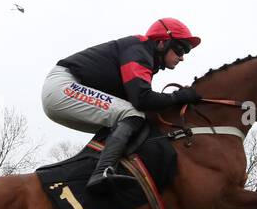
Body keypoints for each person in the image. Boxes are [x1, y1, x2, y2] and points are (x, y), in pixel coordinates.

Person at [42, 17, 203, 192]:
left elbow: (144, 103)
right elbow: (142, 100)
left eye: (186, 52)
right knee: (132, 114)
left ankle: (102, 169)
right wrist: (178, 97)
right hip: (64, 86)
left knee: (137, 124)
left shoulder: (144, 55)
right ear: (162, 42)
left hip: (65, 91)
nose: (182, 57)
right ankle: (101, 172)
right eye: (181, 49)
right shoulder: (139, 49)